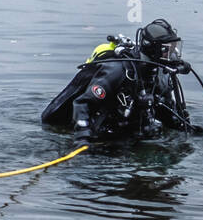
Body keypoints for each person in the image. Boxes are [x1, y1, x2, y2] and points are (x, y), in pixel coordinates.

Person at [41, 19, 192, 141]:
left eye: (174, 48)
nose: (172, 54)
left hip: (131, 135)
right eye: (167, 49)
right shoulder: (117, 70)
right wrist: (83, 135)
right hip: (104, 135)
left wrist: (185, 127)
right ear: (152, 48)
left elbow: (165, 109)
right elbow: (82, 103)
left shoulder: (161, 74)